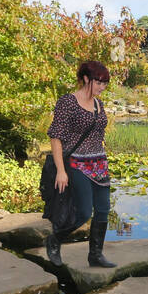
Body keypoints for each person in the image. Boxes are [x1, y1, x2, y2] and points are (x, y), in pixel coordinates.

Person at [44, 60, 114, 269]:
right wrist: (61, 171)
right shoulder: (68, 102)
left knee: (103, 209)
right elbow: (56, 138)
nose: (103, 87)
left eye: (105, 84)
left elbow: (97, 134)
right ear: (86, 79)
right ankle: (55, 239)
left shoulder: (98, 104)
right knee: (84, 212)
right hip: (76, 163)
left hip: (99, 163)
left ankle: (95, 255)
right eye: (99, 83)